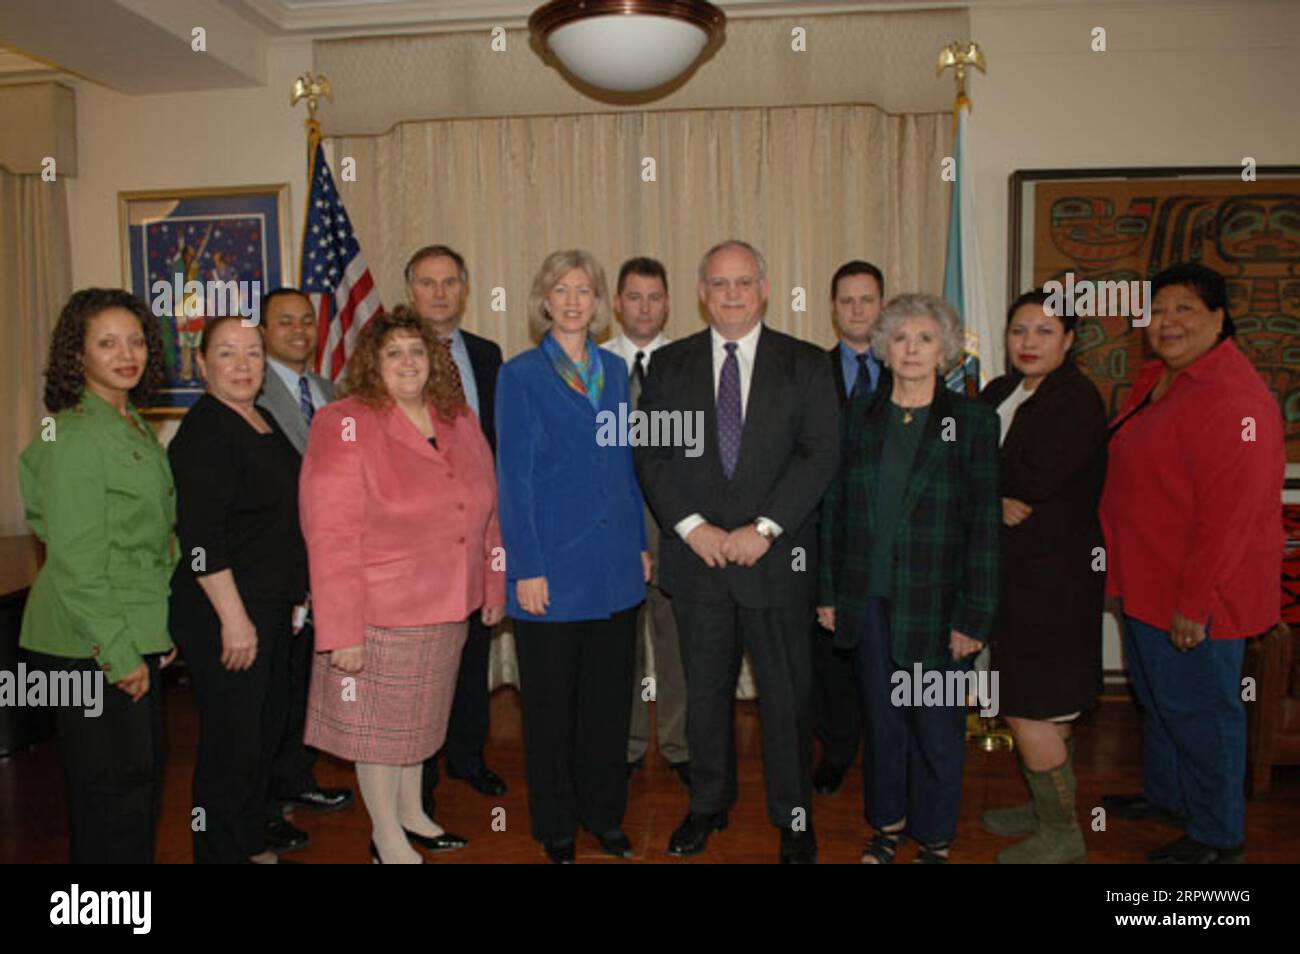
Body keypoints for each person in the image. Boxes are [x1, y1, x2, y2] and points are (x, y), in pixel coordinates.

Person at [636, 240, 839, 864]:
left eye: (743, 282)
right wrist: (693, 527)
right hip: (697, 565)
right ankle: (707, 805)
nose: (731, 294)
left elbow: (820, 452)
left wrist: (766, 527)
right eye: (719, 283)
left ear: (765, 288)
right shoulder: (668, 366)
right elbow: (652, 453)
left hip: (776, 565)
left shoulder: (805, 364)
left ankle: (795, 818)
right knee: (704, 698)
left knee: (786, 698)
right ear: (702, 291)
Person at [300, 307, 504, 864]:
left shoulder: (458, 417)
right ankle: (386, 836)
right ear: (373, 363)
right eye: (394, 353)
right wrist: (342, 630)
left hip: (448, 604)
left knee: (420, 722)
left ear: (435, 360)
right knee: (380, 733)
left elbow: (488, 511)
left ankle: (414, 813)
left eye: (418, 351)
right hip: (379, 612)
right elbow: (330, 533)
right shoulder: (343, 422)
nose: (408, 362)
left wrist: (493, 582)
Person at [1099, 263, 1284, 864]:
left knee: (1203, 711)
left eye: (1185, 309)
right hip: (1146, 578)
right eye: (1159, 310)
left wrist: (1193, 606)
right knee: (1158, 699)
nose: (1168, 322)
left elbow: (1228, 520)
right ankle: (1169, 796)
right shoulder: (1161, 378)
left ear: (1219, 317)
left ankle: (1217, 834)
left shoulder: (1236, 401)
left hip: (1194, 593)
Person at [817, 293, 999, 864]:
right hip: (868, 600)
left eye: (925, 339)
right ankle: (888, 825)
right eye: (900, 338)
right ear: (884, 348)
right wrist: (828, 593)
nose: (912, 349)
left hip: (940, 605)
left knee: (937, 726)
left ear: (945, 350)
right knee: (884, 718)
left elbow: (985, 525)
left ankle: (936, 837)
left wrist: (975, 616)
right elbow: (835, 511)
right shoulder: (858, 416)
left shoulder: (971, 420)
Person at [496, 249, 649, 864]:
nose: (572, 299)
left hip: (614, 568)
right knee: (552, 711)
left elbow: (624, 467)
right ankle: (556, 826)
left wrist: (639, 543)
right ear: (544, 300)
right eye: (560, 289)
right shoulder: (521, 374)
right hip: (551, 571)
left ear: (599, 302)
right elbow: (515, 479)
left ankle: (604, 817)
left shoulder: (615, 370)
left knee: (608, 707)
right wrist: (525, 565)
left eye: (584, 289)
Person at [19, 288, 176, 863]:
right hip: (88, 641)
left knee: (138, 785)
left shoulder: (129, 423)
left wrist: (155, 631)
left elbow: (156, 539)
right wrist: (119, 651)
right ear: (77, 355)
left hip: (131, 629)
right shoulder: (76, 436)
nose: (126, 353)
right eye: (107, 343)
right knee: (110, 794)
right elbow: (76, 561)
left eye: (135, 340)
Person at [168, 314, 308, 864]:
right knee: (232, 745)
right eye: (227, 354)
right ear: (202, 364)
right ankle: (219, 852)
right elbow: (200, 541)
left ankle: (247, 840)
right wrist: (234, 618)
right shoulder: (205, 432)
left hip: (271, 607)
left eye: (253, 353)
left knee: (261, 736)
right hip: (226, 615)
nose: (243, 365)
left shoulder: (262, 418)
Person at [978, 290, 1107, 864]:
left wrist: (1000, 484)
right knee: (1030, 701)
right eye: (1019, 331)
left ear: (1070, 340)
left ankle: (1064, 835)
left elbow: (1033, 477)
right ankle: (1043, 809)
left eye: (1044, 332)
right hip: (1011, 574)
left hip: (1054, 580)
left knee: (1033, 704)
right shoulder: (1002, 390)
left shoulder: (1075, 400)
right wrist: (992, 494)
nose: (1028, 343)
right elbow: (958, 457)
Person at [406, 245, 509, 812]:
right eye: (428, 283)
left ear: (464, 290)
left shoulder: (489, 356)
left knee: (473, 650)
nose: (440, 293)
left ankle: (467, 756)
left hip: (479, 530)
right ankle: (417, 778)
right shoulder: (394, 357)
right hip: (420, 543)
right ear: (411, 291)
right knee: (424, 663)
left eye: (449, 282)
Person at [254, 287, 354, 853]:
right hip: (277, 569)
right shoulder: (251, 387)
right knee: (269, 692)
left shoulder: (326, 389)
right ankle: (264, 803)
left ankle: (296, 777)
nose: (297, 330)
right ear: (264, 331)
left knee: (304, 684)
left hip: (325, 565)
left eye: (305, 321)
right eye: (283, 322)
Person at [602, 256, 690, 787]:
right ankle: (628, 744)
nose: (645, 307)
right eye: (634, 297)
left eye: (655, 297)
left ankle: (679, 745)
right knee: (622, 645)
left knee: (677, 642)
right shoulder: (594, 364)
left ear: (669, 304)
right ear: (616, 303)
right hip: (613, 526)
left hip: (677, 526)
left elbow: (694, 451)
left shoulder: (686, 364)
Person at [810, 260, 886, 795]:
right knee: (829, 651)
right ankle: (837, 749)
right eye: (847, 301)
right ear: (833, 308)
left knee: (884, 649)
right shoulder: (809, 370)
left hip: (890, 540)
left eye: (867, 300)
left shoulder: (910, 364)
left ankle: (886, 751)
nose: (857, 310)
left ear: (883, 305)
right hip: (823, 534)